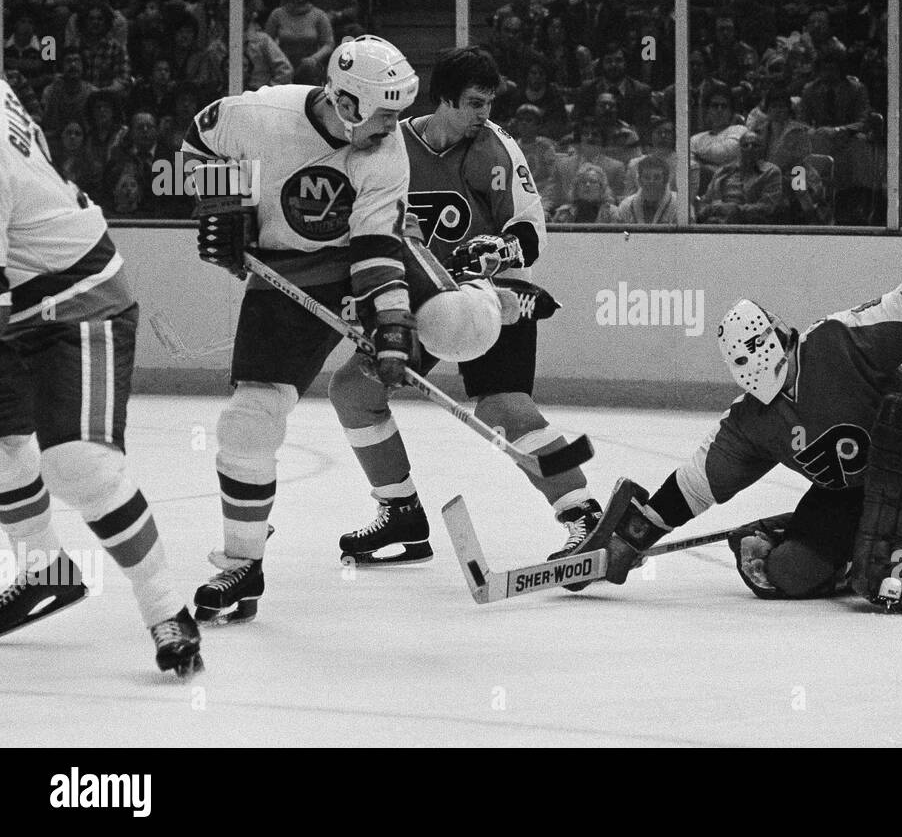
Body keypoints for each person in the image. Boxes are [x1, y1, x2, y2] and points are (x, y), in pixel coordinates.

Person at [567, 209, 902, 610]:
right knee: (785, 575)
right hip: (851, 493)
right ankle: (804, 541)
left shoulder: (835, 343)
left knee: (899, 581)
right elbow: (696, 485)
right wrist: (635, 536)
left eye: (751, 353)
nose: (749, 367)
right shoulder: (749, 425)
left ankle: (858, 544)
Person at [183, 35, 452, 622]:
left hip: (355, 259)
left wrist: (391, 326)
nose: (394, 125)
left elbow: (377, 247)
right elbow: (198, 141)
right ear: (348, 103)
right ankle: (241, 565)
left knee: (459, 325)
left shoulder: (385, 152)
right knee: (249, 421)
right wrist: (224, 208)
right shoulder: (257, 115)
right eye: (384, 113)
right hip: (287, 269)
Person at [331, 46, 602, 566]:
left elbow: (529, 231)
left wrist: (499, 249)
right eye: (475, 103)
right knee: (353, 391)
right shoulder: (388, 146)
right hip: (422, 295)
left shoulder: (496, 149)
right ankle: (401, 511)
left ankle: (582, 512)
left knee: (502, 405)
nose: (485, 114)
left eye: (489, 103)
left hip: (492, 294)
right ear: (444, 101)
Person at [0, 76, 202, 676]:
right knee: (6, 444)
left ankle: (167, 608)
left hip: (76, 294)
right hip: (26, 284)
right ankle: (45, 571)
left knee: (78, 464)